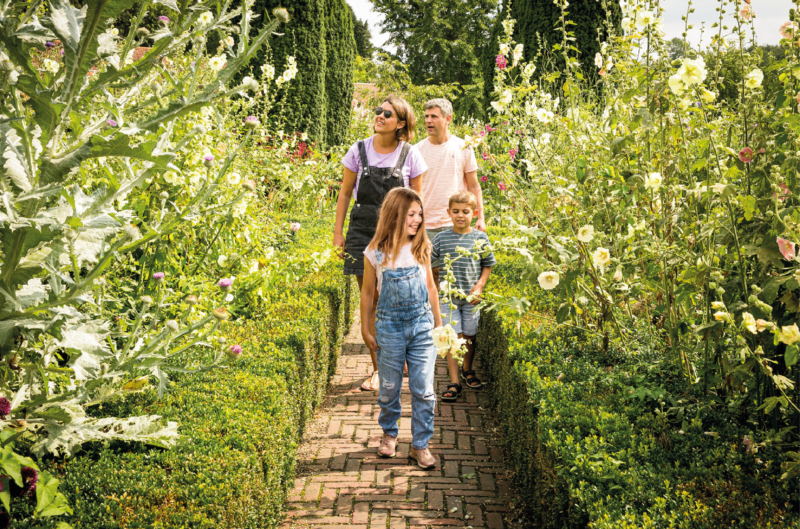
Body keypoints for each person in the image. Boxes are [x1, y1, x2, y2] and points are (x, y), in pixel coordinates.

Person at [333, 96, 428, 392]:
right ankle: (379, 368)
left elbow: (417, 202)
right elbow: (345, 194)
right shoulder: (358, 150)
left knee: (396, 298)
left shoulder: (410, 154)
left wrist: (418, 237)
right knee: (372, 299)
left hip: (396, 234)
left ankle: (398, 355)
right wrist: (338, 233)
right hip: (362, 230)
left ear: (401, 123)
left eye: (387, 114)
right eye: (378, 111)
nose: (380, 116)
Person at [360, 187, 442, 470]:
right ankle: (389, 434)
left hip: (422, 326)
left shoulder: (421, 247)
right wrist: (365, 330)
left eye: (420, 214)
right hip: (389, 327)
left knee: (423, 389)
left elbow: (430, 287)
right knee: (389, 387)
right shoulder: (374, 253)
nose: (417, 220)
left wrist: (439, 325)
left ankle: (421, 445)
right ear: (394, 215)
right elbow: (367, 294)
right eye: (411, 214)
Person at [431, 190, 496, 402]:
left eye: (465, 211)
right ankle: (454, 382)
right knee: (453, 338)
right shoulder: (441, 239)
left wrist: (480, 286)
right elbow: (428, 263)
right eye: (456, 211)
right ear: (448, 212)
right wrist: (436, 287)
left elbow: (488, 264)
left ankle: (467, 370)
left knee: (469, 335)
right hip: (449, 299)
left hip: (471, 298)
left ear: (474, 214)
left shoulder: (480, 238)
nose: (460, 215)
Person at [416, 98, 486, 243]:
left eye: (434, 116)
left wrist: (481, 218)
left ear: (448, 119)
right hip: (425, 225)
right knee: (427, 259)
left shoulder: (463, 147)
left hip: (455, 223)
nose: (428, 120)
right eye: (426, 116)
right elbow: (411, 189)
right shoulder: (416, 150)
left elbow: (474, 186)